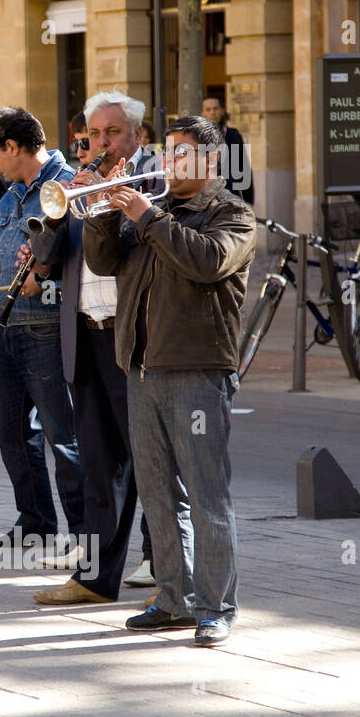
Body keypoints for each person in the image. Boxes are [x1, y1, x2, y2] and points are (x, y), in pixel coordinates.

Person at [84, 114, 256, 646]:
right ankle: (172, 597)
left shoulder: (231, 215)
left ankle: (216, 606)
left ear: (208, 162)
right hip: (143, 367)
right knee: (159, 492)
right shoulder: (152, 212)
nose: (166, 163)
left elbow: (207, 262)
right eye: (166, 152)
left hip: (198, 369)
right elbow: (102, 260)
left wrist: (148, 216)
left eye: (179, 153)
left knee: (206, 493)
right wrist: (100, 212)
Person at [26, 91, 158, 604]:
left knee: (153, 463)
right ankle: (97, 580)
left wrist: (110, 197)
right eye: (94, 136)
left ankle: (170, 576)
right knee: (102, 463)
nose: (101, 145)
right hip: (85, 335)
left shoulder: (150, 187)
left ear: (137, 137)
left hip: (134, 342)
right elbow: (46, 258)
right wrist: (59, 216)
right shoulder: (78, 188)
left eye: (113, 134)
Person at [0, 106, 85, 547]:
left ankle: (85, 535)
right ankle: (37, 525)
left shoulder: (66, 187)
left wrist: (43, 270)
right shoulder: (12, 195)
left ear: (13, 147)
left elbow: (78, 255)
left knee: (63, 438)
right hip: (8, 328)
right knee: (11, 432)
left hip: (46, 326)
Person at [201, 97, 253, 204]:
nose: (213, 112)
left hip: (231, 195)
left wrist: (248, 199)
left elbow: (243, 166)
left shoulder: (233, 135)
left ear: (222, 110)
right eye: (208, 109)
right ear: (203, 113)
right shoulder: (197, 137)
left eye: (216, 108)